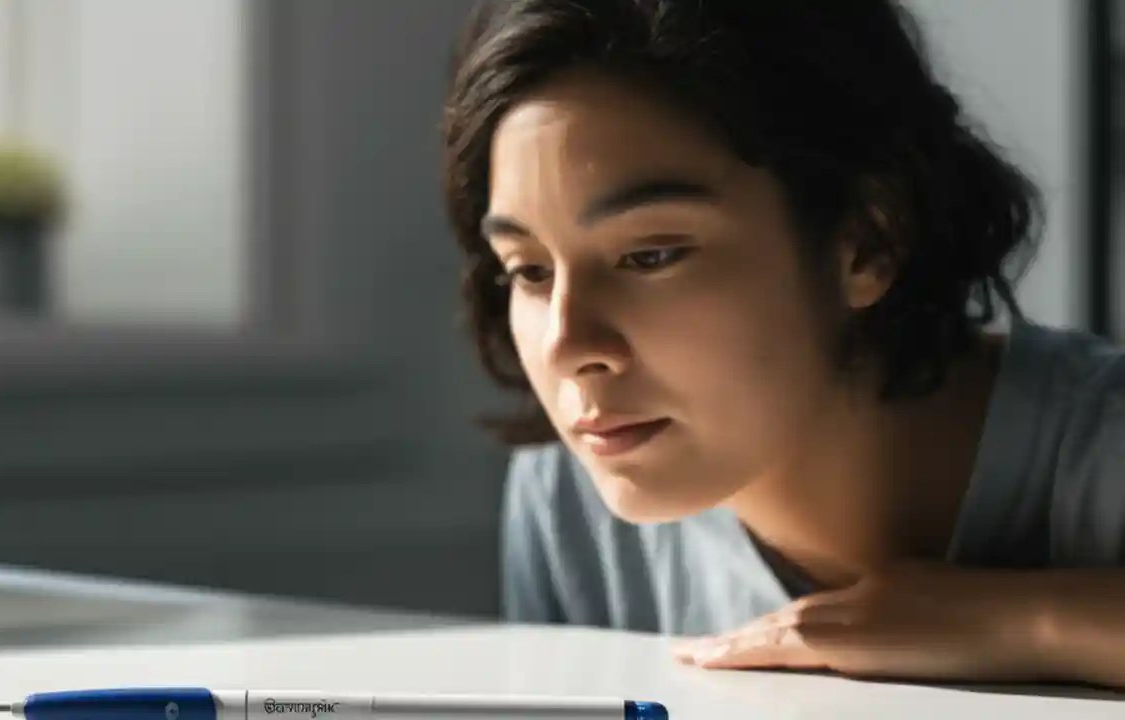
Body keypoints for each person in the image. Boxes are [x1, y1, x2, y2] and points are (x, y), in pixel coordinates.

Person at [440, 0, 1125, 688]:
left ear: (865, 240)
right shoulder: (570, 498)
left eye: (650, 256)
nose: (567, 346)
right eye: (529, 270)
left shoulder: (1099, 454)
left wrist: (1020, 621)